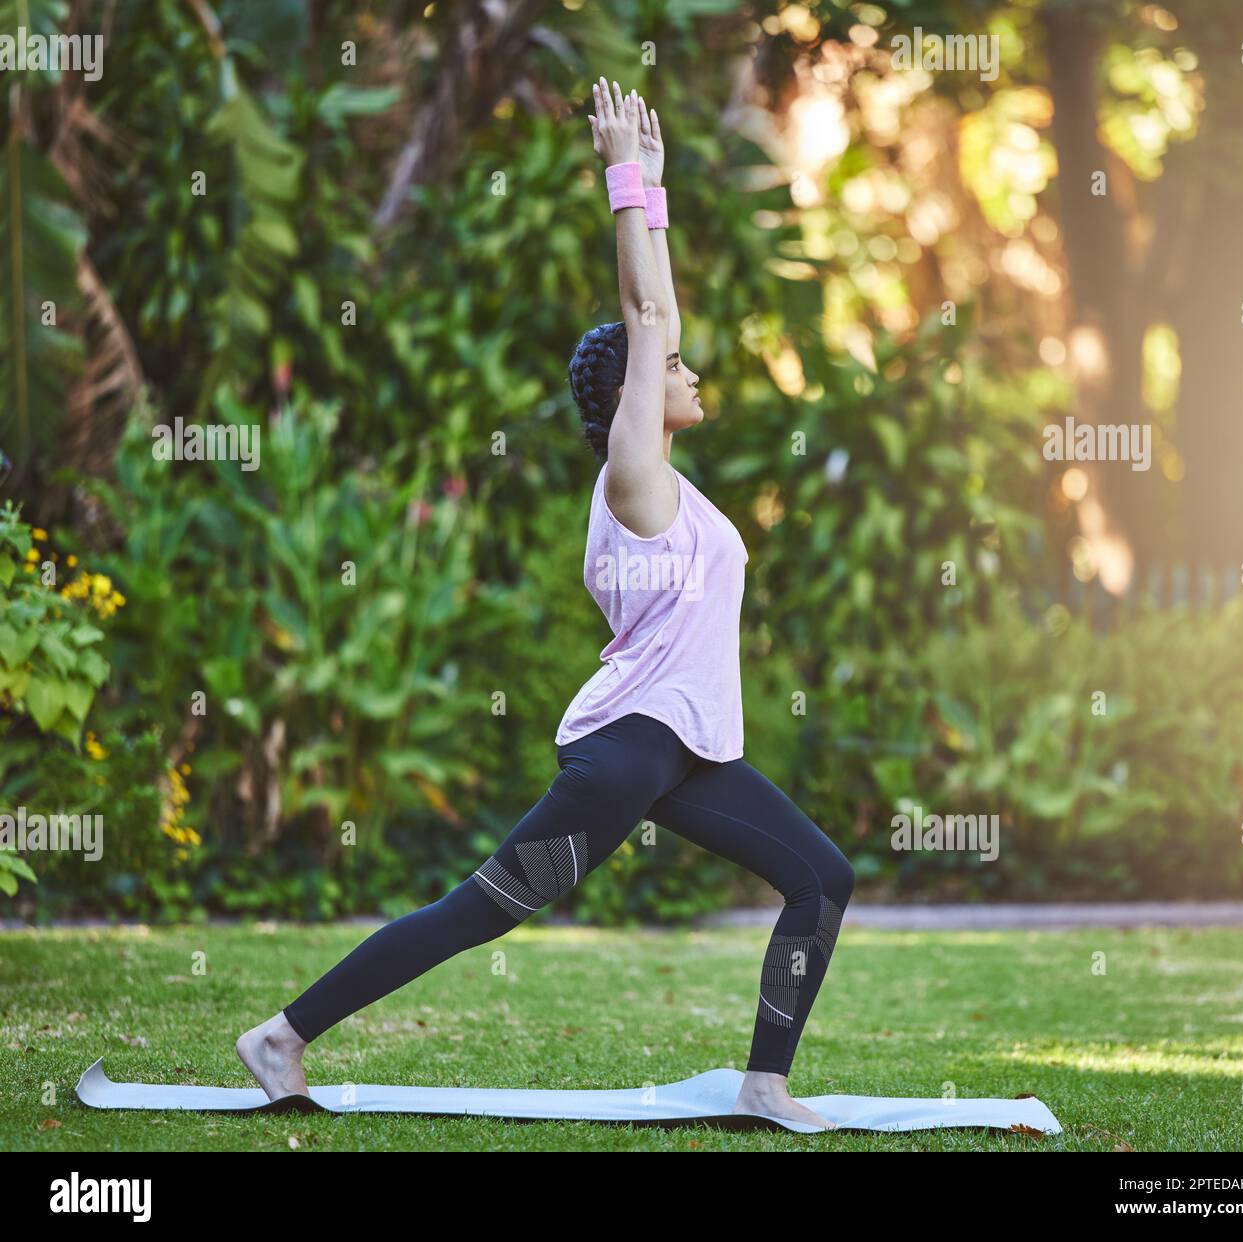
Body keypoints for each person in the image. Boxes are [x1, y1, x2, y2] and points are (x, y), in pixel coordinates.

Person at [237, 78, 853, 1129]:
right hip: (625, 755)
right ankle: (281, 1036)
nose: (690, 365)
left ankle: (764, 1086)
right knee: (480, 910)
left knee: (820, 877)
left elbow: (661, 314)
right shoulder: (633, 482)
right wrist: (622, 180)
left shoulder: (673, 489)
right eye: (670, 368)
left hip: (688, 751)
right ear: (632, 396)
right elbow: (648, 316)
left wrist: (654, 190)